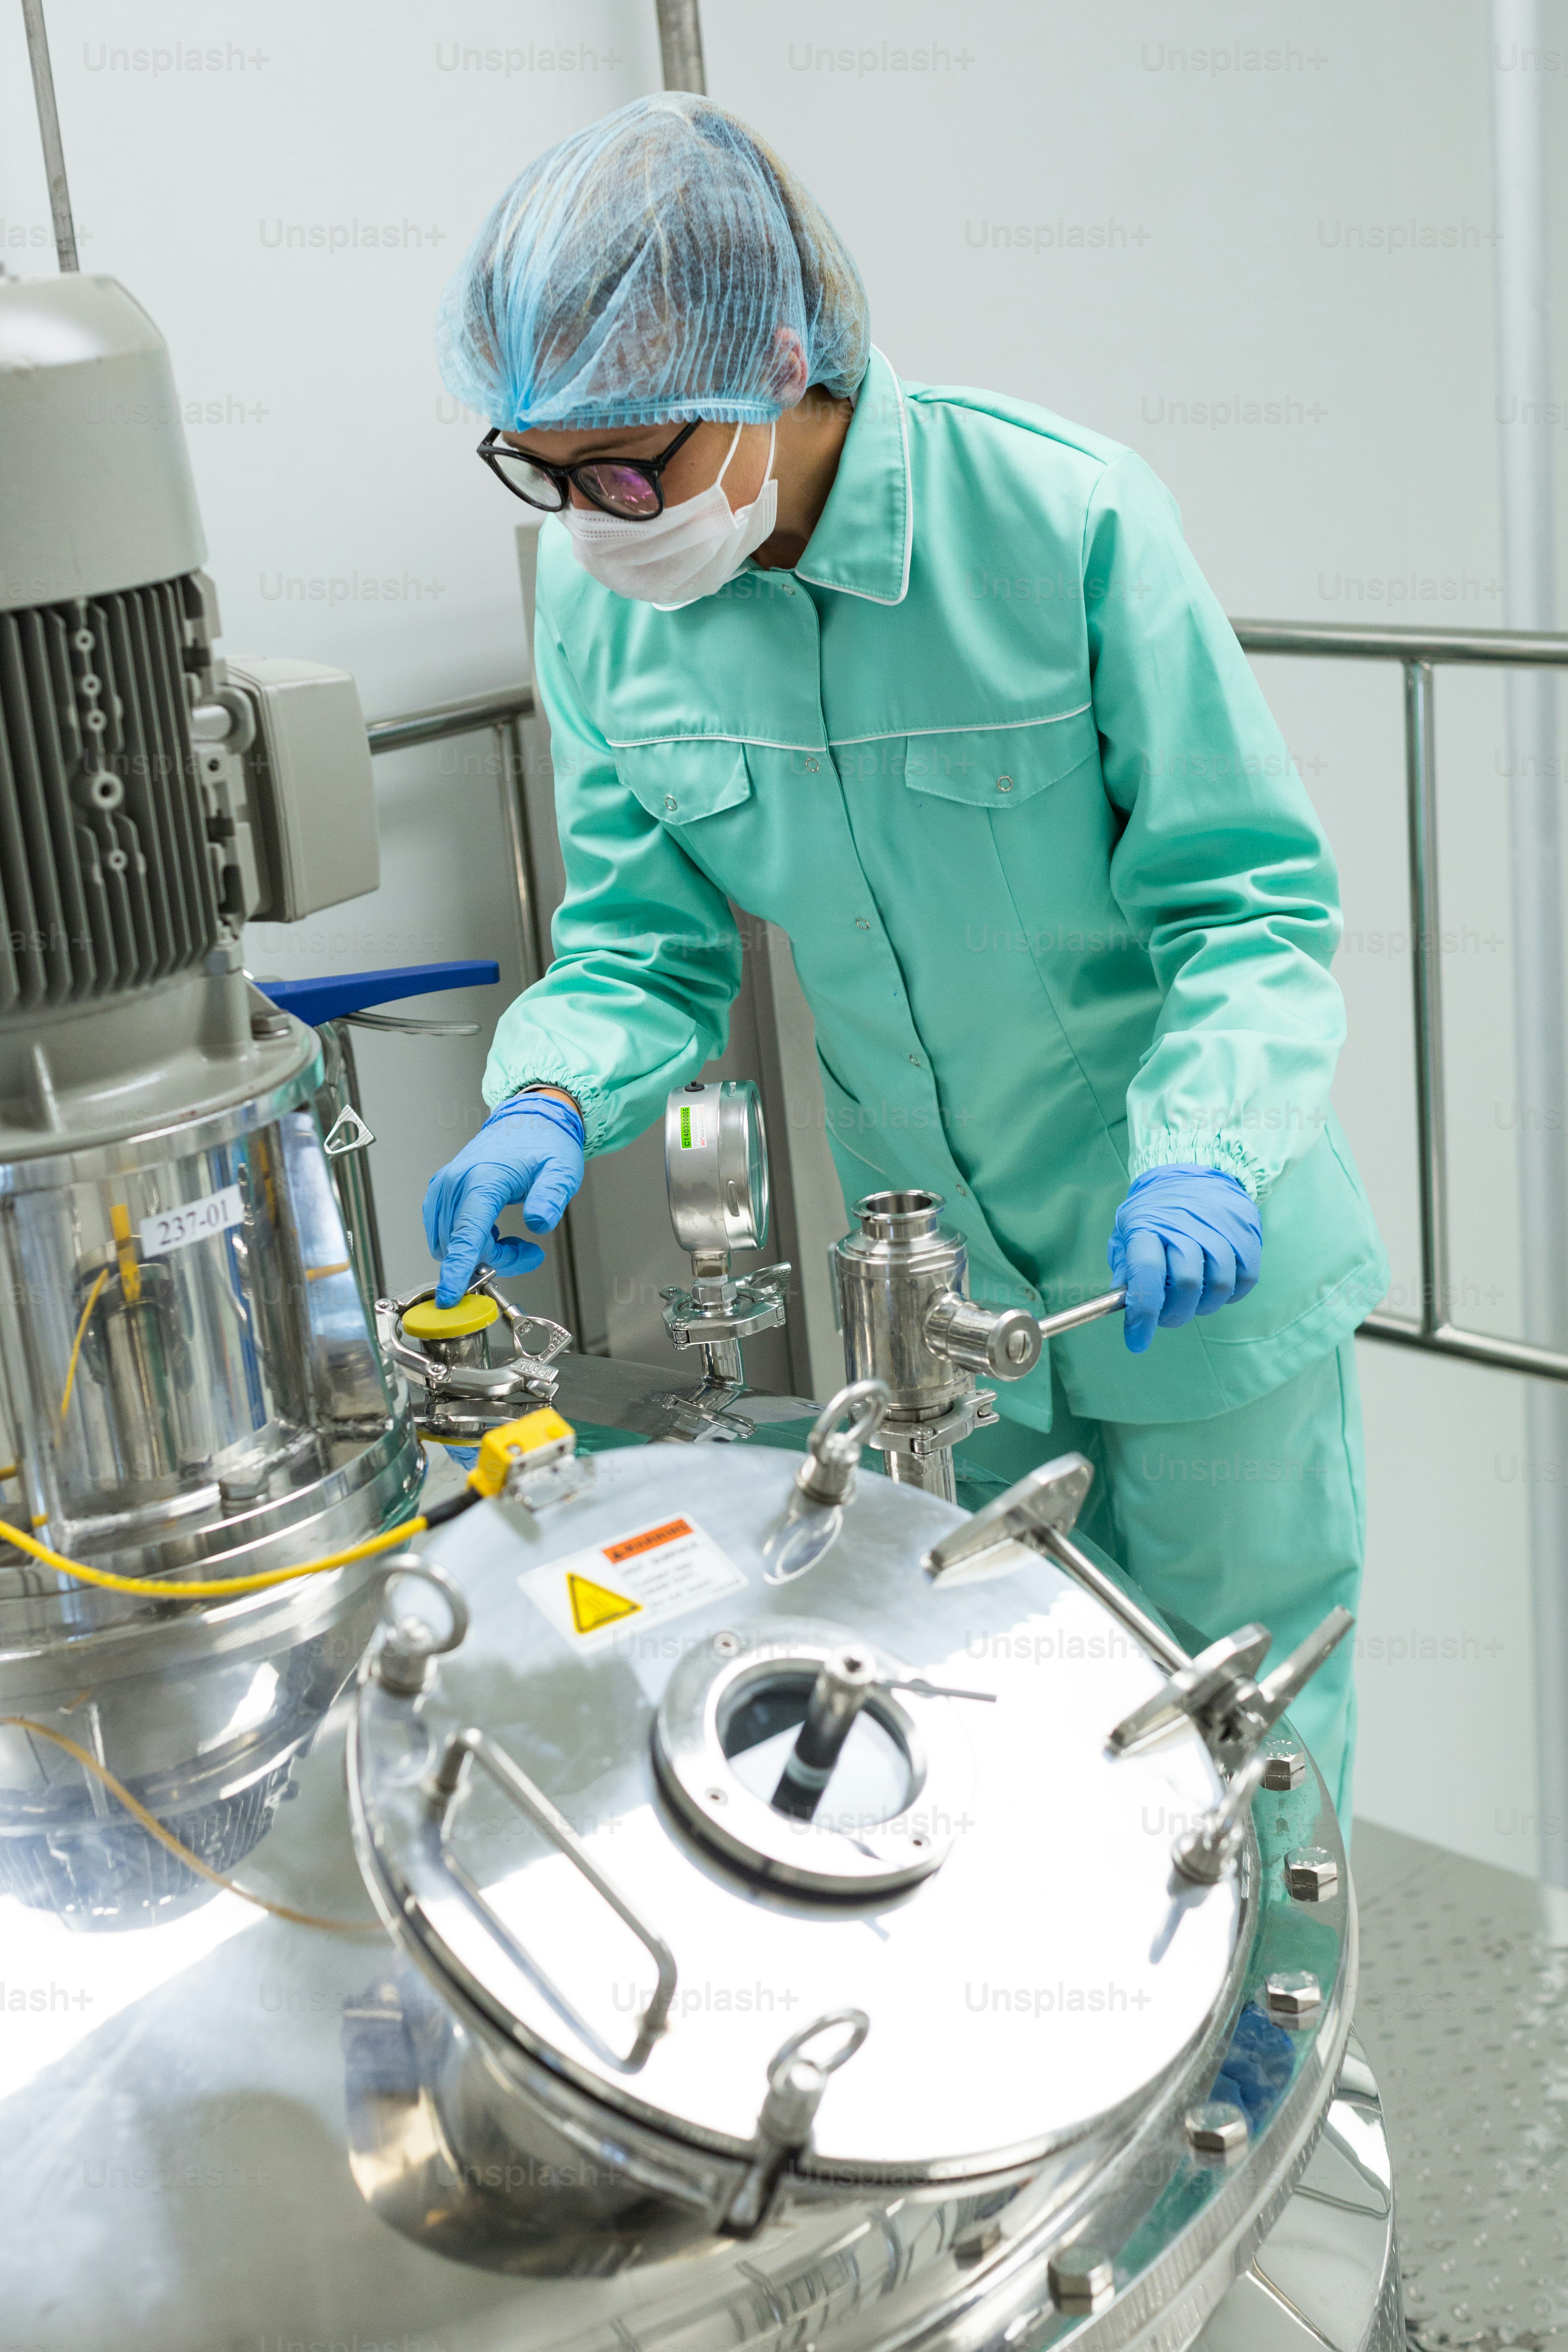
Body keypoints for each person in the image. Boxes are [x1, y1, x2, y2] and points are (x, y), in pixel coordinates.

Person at [423, 93, 1387, 1817]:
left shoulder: (1060, 522)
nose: (592, 519)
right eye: (546, 474)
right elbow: (643, 944)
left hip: (1187, 1255)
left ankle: (1271, 2062)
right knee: (994, 1721)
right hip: (934, 1308)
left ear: (777, 363)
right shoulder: (605, 612)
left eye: (625, 466)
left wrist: (1205, 1154)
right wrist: (551, 1100)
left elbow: (1248, 907)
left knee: (1239, 1727)